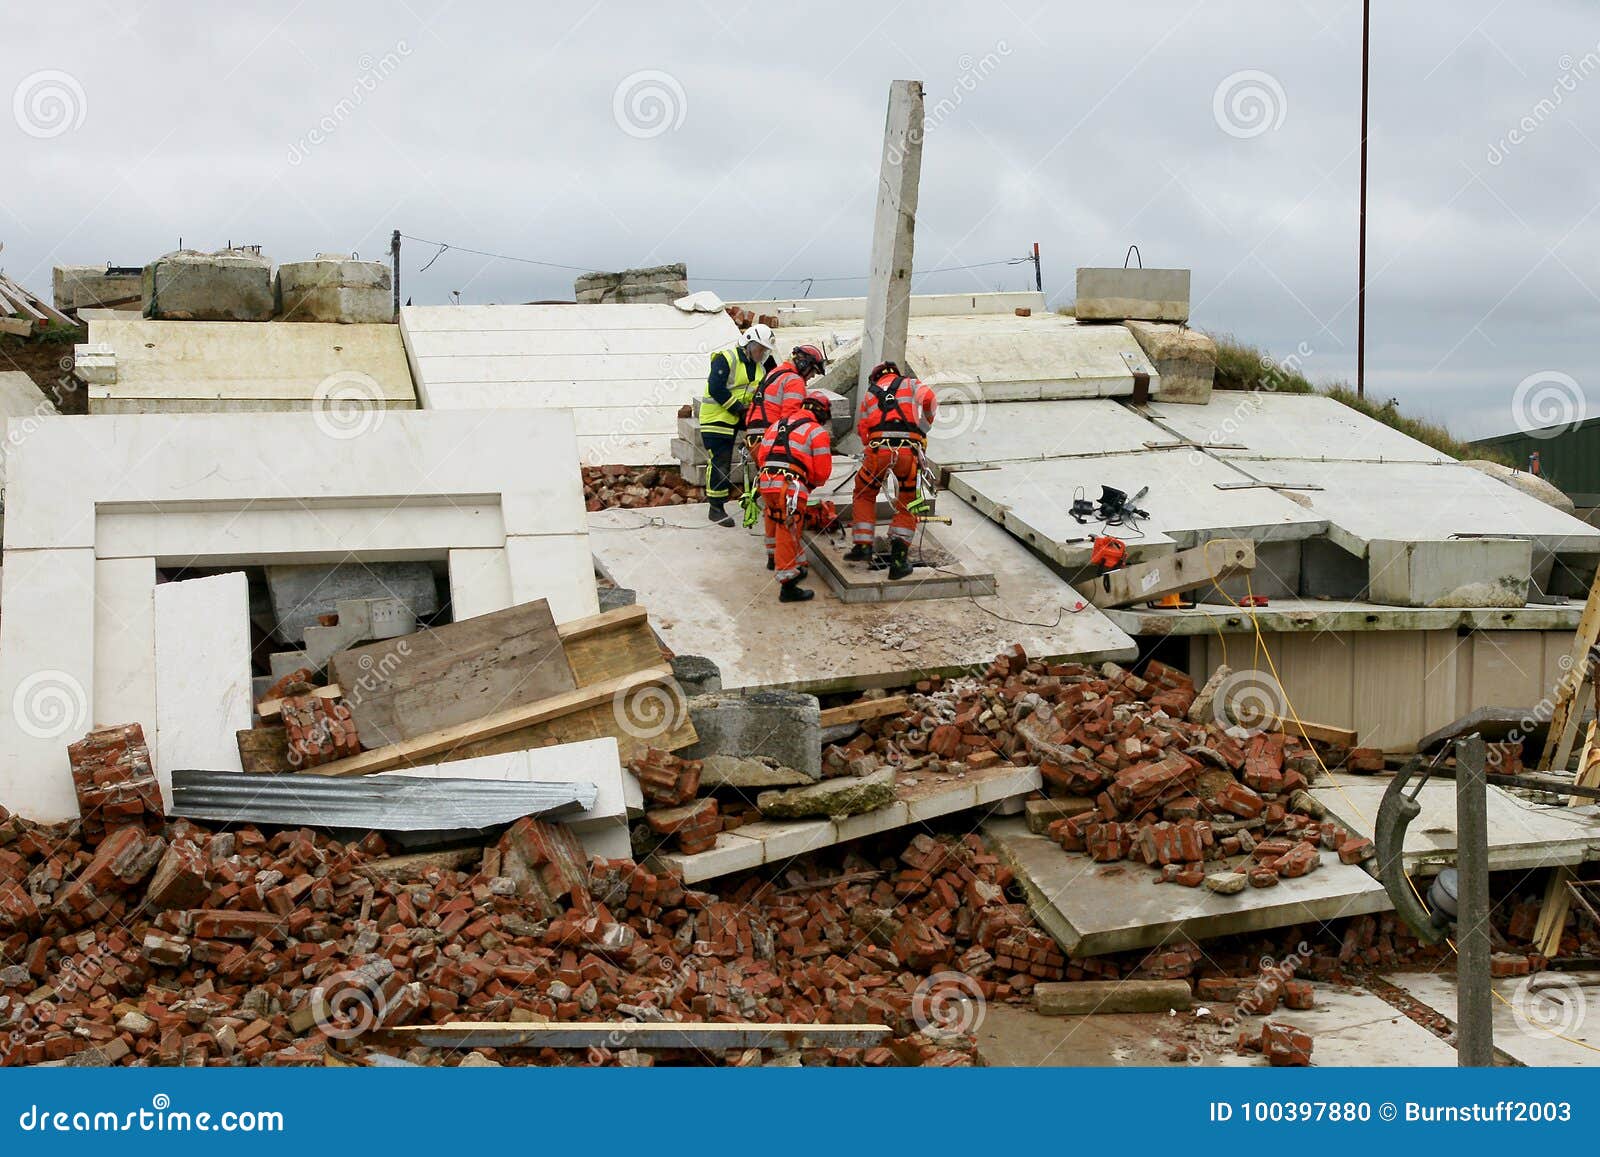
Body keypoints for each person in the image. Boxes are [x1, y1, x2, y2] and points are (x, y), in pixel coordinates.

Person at [849, 360, 938, 580]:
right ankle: (898, 561)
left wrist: (873, 451)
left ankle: (863, 545)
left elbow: (863, 430)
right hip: (908, 453)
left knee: (864, 493)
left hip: (878, 451)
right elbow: (929, 399)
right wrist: (924, 426)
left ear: (876, 378)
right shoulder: (912, 384)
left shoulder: (870, 395)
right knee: (907, 502)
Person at [735, 343, 828, 525]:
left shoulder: (775, 373)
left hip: (756, 437)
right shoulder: (794, 381)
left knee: (772, 485)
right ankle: (788, 526)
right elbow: (791, 420)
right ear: (804, 365)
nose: (810, 378)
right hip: (767, 437)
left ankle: (774, 531)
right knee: (788, 484)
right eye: (812, 372)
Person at [756, 390, 834, 602]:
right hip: (791, 485)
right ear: (821, 414)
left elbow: (762, 456)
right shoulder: (816, 432)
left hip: (766, 481)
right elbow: (822, 472)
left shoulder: (776, 425)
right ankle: (788, 585)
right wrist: (809, 485)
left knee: (773, 516)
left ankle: (776, 559)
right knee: (789, 529)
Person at [698, 324, 773, 526]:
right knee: (720, 461)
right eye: (760, 349)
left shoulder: (759, 368)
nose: (762, 353)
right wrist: (739, 409)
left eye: (765, 350)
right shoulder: (726, 358)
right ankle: (716, 507)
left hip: (740, 417)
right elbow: (716, 388)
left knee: (765, 449)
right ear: (749, 344)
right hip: (716, 417)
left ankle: (767, 495)